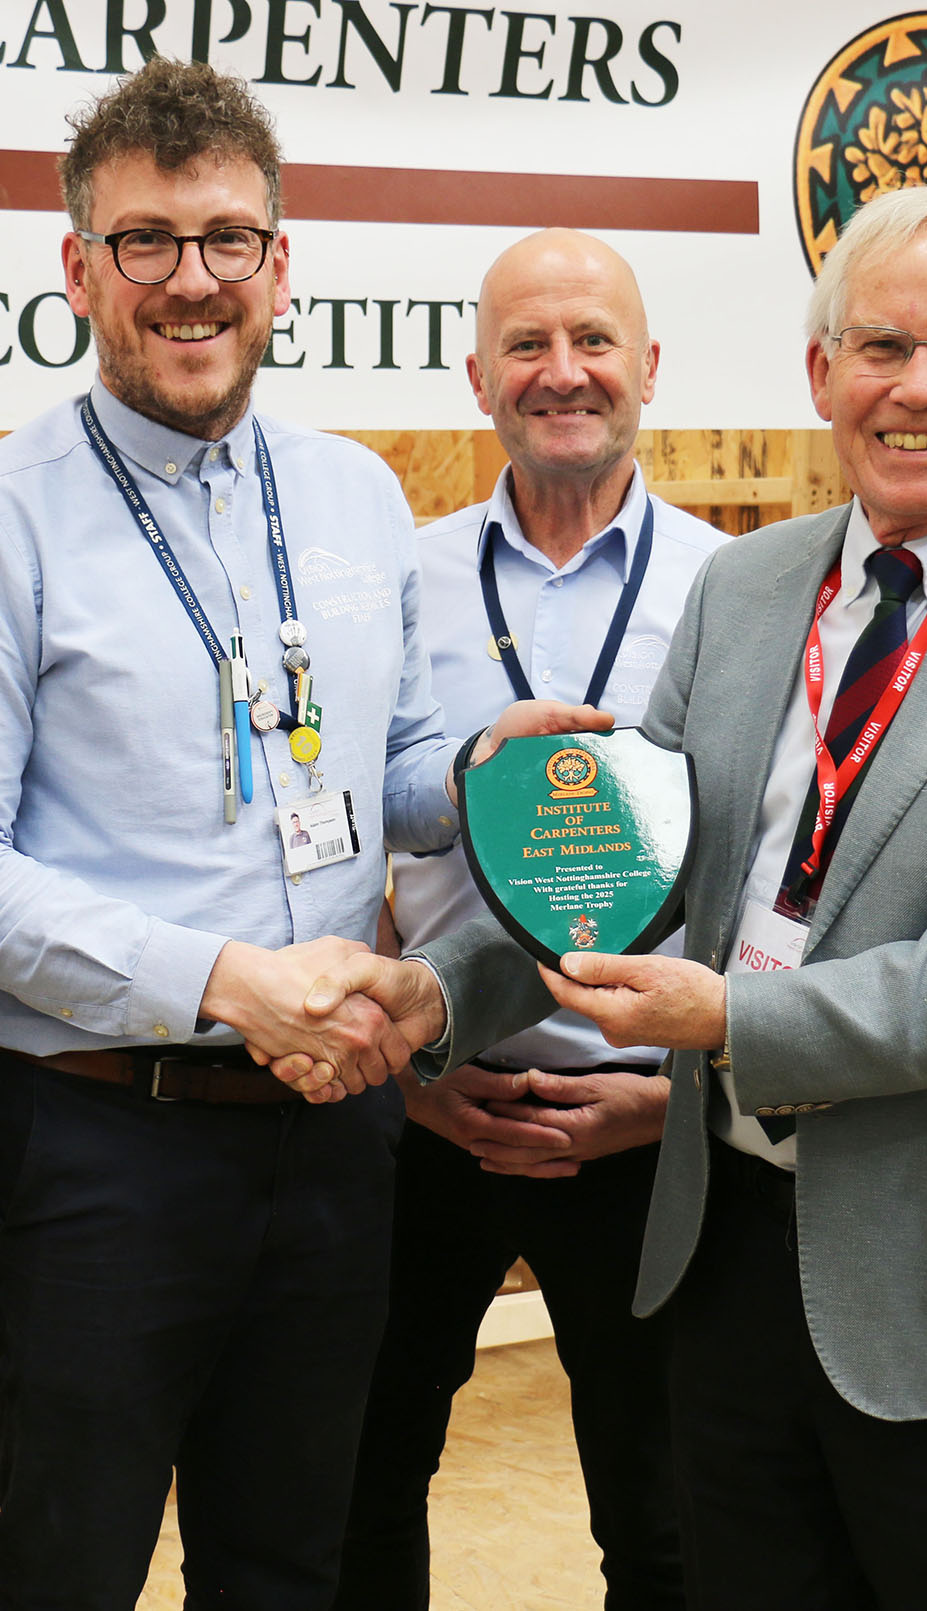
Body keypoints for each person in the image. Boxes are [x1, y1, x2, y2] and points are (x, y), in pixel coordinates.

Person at [302, 186, 927, 1610]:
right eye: (878, 349)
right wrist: (434, 999)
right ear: (820, 377)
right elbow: (627, 883)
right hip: (723, 1252)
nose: (916, 388)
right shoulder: (746, 589)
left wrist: (738, 1017)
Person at [0, 59, 596, 1611]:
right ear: (78, 268)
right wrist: (220, 978)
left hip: (335, 1138)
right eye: (146, 241)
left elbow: (364, 769)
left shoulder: (348, 495)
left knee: (293, 1565)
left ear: (281, 265)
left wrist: (473, 767)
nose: (188, 282)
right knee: (72, 1561)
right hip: (100, 1150)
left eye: (224, 240)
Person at [335, 228, 722, 1611]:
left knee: (667, 1523)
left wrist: (677, 1104)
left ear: (650, 368)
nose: (563, 373)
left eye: (593, 340)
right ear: (477, 377)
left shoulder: (736, 590)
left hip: (643, 1126)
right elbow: (340, 827)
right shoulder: (396, 581)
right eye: (526, 345)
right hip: (424, 1114)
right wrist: (406, 1075)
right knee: (360, 1491)